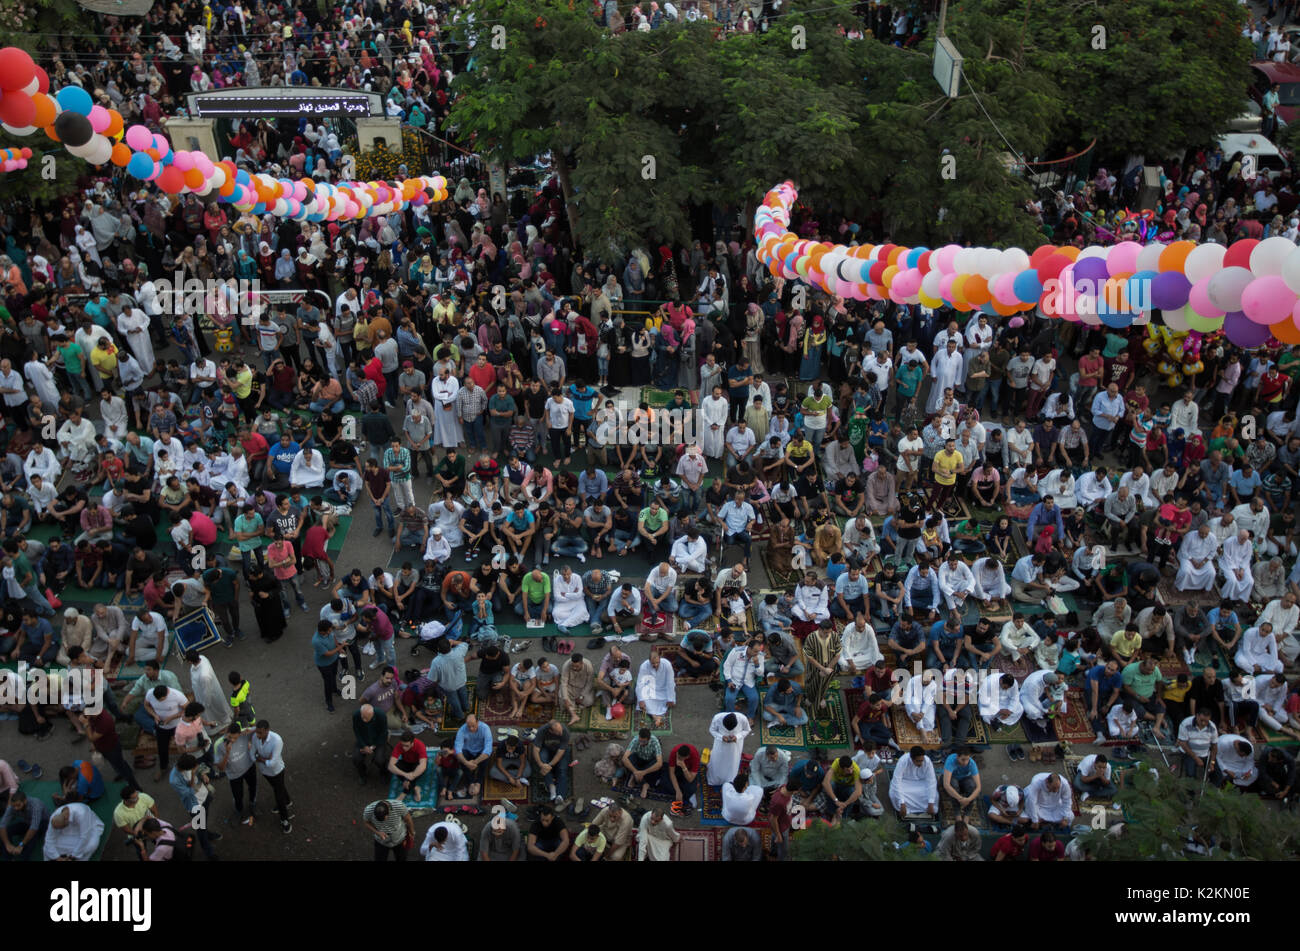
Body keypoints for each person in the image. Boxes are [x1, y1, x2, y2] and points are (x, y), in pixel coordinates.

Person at [889, 746, 938, 818]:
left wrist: (930, 803)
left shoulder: (927, 761)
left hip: (922, 783)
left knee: (935, 796)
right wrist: (902, 803)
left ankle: (926, 809)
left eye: (922, 760)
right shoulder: (903, 761)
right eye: (918, 761)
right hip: (904, 783)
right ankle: (905, 809)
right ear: (912, 759)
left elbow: (931, 781)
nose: (921, 763)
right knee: (893, 794)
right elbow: (896, 781)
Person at [707, 711, 751, 786]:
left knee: (732, 762)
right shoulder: (717, 718)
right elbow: (712, 730)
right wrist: (721, 737)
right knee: (717, 760)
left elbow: (747, 730)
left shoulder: (742, 718)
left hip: (735, 746)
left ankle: (730, 780)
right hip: (720, 744)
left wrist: (737, 737)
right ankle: (715, 779)